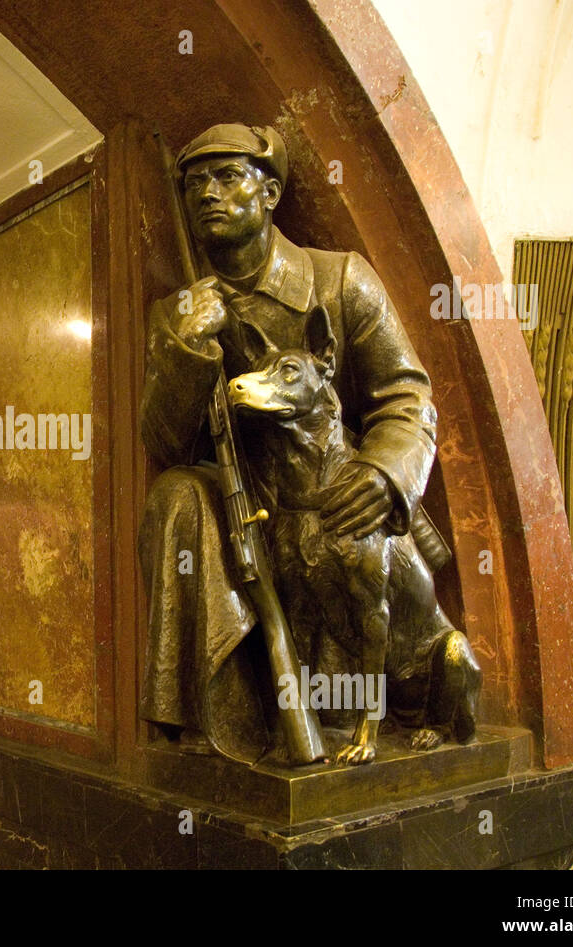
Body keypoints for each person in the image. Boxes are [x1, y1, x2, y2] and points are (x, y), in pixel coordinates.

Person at [138, 123, 439, 763]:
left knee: (341, 689)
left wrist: (386, 473)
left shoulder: (339, 280)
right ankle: (206, 726)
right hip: (249, 510)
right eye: (194, 184)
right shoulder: (177, 313)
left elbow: (406, 395)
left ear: (271, 192)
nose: (207, 195)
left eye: (227, 177)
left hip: (336, 508)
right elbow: (164, 442)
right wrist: (190, 348)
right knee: (175, 494)